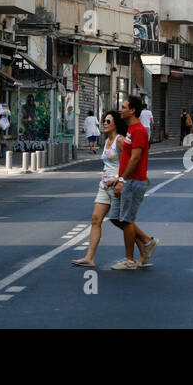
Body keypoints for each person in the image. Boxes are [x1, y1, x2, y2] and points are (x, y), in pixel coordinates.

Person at [109, 95, 156, 270]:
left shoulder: (139, 131)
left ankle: (129, 260)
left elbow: (136, 158)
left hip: (133, 181)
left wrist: (122, 179)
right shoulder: (130, 130)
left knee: (127, 220)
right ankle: (146, 240)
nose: (120, 109)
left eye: (123, 106)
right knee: (115, 218)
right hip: (128, 180)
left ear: (132, 110)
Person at [72, 109, 123, 268]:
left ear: (116, 123)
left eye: (108, 121)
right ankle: (89, 257)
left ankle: (145, 243)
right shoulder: (107, 140)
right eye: (104, 121)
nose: (104, 124)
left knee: (123, 223)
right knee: (95, 219)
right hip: (104, 185)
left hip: (117, 187)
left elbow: (131, 160)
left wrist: (120, 179)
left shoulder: (120, 141)